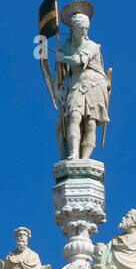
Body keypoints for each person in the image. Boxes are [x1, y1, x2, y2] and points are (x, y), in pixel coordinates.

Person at [54, 9, 108, 159]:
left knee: (90, 123)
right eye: (81, 28)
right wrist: (55, 89)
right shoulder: (66, 47)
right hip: (76, 85)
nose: (84, 31)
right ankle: (73, 154)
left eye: (86, 28)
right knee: (74, 117)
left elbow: (78, 60)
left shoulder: (92, 46)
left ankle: (85, 158)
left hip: (94, 85)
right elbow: (59, 73)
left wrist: (62, 58)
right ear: (73, 28)